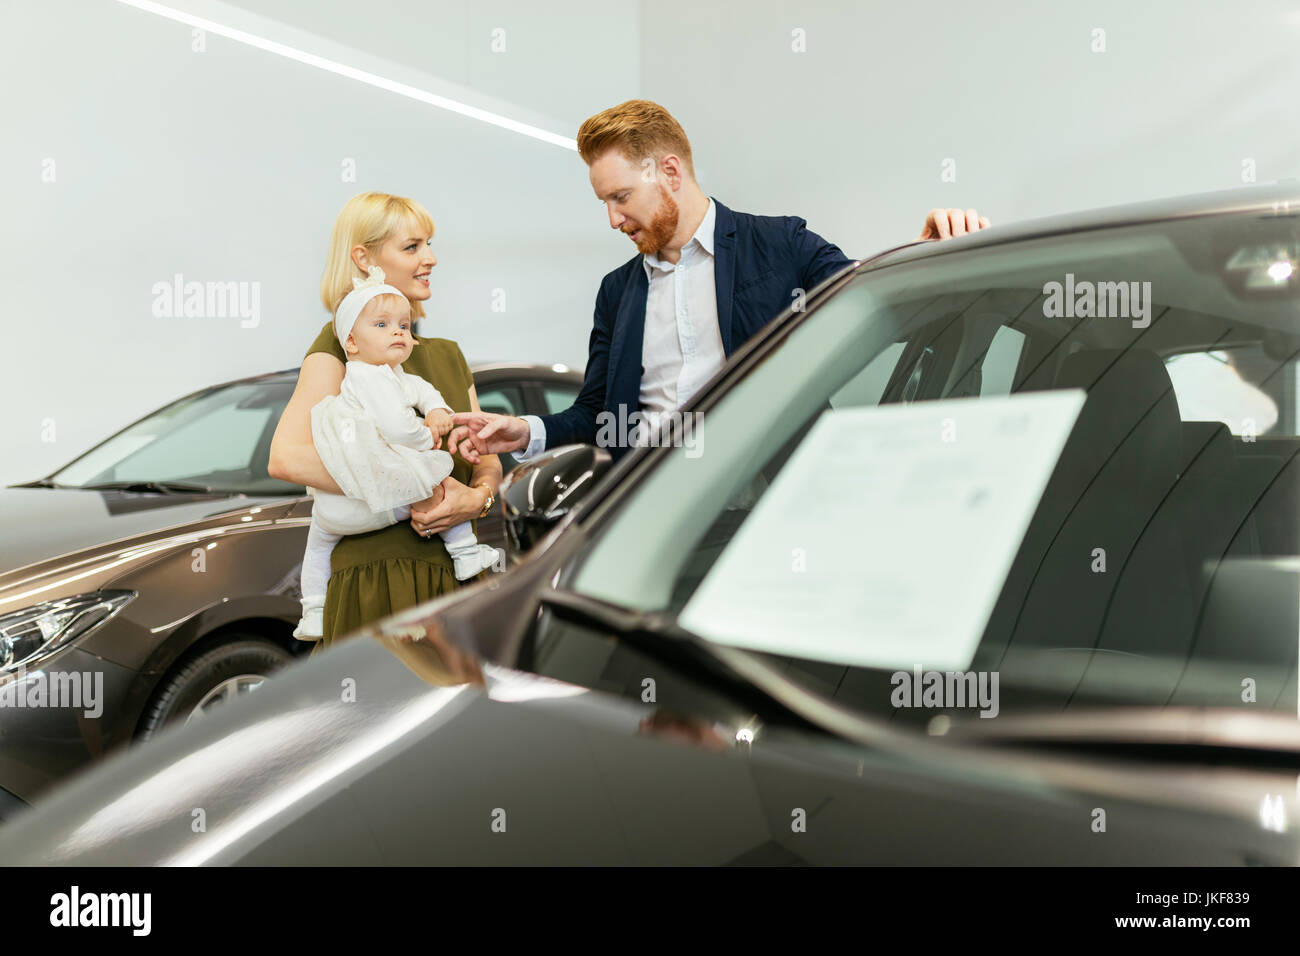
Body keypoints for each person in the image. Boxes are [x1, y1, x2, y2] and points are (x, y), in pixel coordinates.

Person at [447, 99, 990, 463]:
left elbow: (871, 306)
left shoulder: (781, 245)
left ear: (670, 173)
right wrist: (527, 432)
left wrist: (926, 254)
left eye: (620, 198)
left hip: (764, 506)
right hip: (646, 517)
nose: (613, 219)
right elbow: (595, 416)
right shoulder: (617, 292)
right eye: (604, 202)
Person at [269, 192, 502, 651]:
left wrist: (477, 501)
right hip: (379, 585)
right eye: (412, 247)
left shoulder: (448, 356)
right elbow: (287, 459)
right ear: (364, 258)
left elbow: (485, 462)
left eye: (429, 244)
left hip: (456, 581)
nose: (431, 259)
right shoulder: (340, 346)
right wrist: (408, 485)